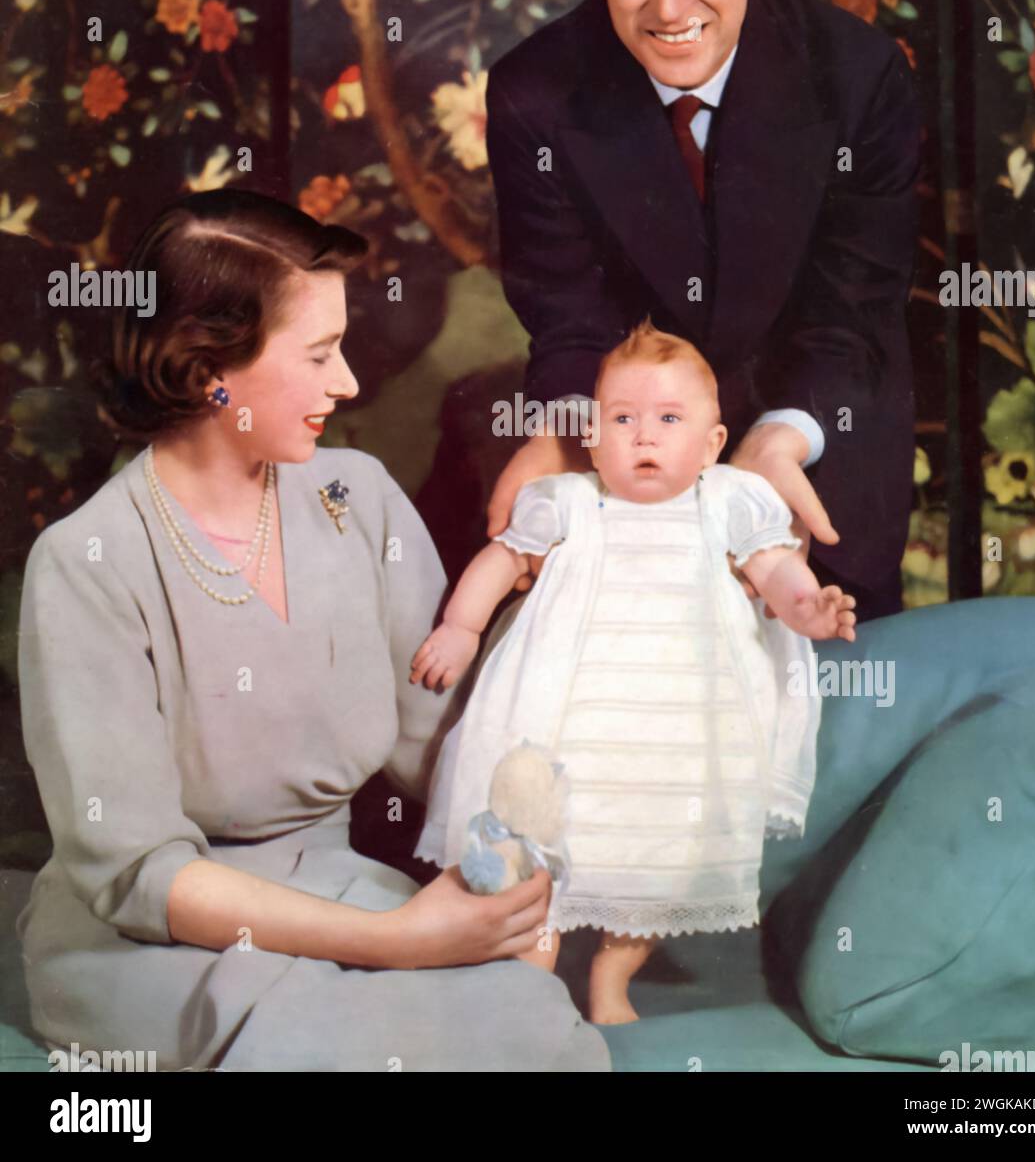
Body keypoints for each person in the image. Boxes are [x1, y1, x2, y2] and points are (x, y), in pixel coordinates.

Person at [16, 189, 609, 1072]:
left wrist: (522, 858)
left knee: (529, 1028)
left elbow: (448, 737)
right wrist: (404, 941)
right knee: (332, 1049)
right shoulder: (85, 561)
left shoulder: (355, 495)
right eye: (321, 353)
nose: (350, 383)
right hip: (148, 939)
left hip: (340, 890)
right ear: (206, 369)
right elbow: (137, 873)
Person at [485, 0, 921, 622]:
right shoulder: (531, 93)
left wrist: (777, 439)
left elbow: (852, 314)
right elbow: (569, 318)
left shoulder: (860, 77)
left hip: (816, 446)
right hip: (631, 458)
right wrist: (567, 432)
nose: (668, 3)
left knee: (831, 717)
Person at [411, 320, 857, 1025]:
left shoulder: (728, 503)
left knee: (666, 866)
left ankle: (612, 981)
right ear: (592, 436)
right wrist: (460, 628)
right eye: (623, 419)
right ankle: (531, 983)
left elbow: (777, 573)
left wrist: (812, 610)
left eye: (669, 420)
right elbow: (503, 560)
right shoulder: (570, 503)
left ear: (714, 444)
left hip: (679, 737)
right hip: (573, 725)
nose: (644, 437)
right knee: (540, 849)